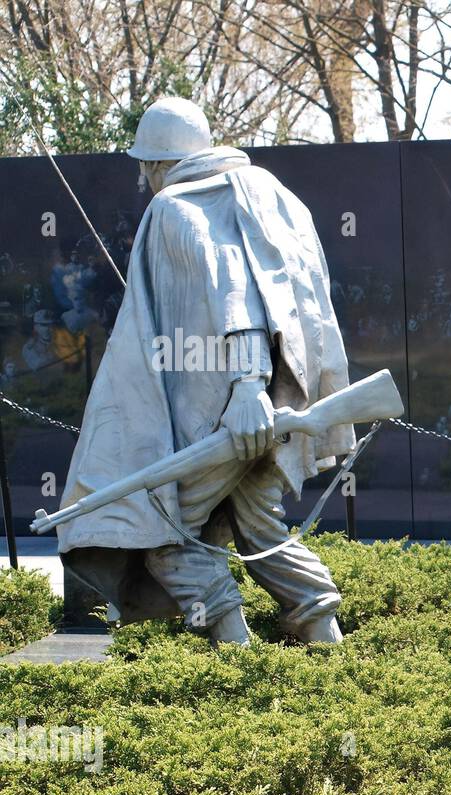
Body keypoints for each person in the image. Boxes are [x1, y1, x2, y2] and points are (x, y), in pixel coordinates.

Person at [56, 97, 354, 646]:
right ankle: (324, 633)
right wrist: (264, 390)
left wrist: (246, 387)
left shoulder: (176, 206)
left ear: (158, 163)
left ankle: (234, 650)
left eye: (145, 166)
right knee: (260, 526)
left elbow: (235, 292)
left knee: (161, 530)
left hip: (226, 414)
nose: (144, 179)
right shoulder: (273, 195)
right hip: (281, 401)